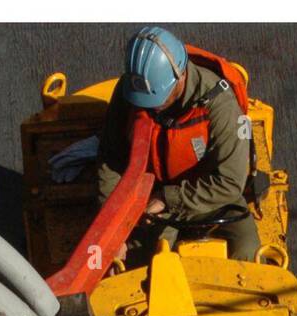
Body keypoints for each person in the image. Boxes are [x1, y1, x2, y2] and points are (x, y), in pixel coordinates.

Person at [92, 25, 260, 265]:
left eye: (157, 100)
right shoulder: (131, 92)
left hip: (210, 197)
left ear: (181, 76)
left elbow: (230, 183)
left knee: (248, 256)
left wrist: (167, 198)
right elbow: (111, 158)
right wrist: (111, 230)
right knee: (133, 268)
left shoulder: (220, 105)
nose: (150, 107)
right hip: (148, 202)